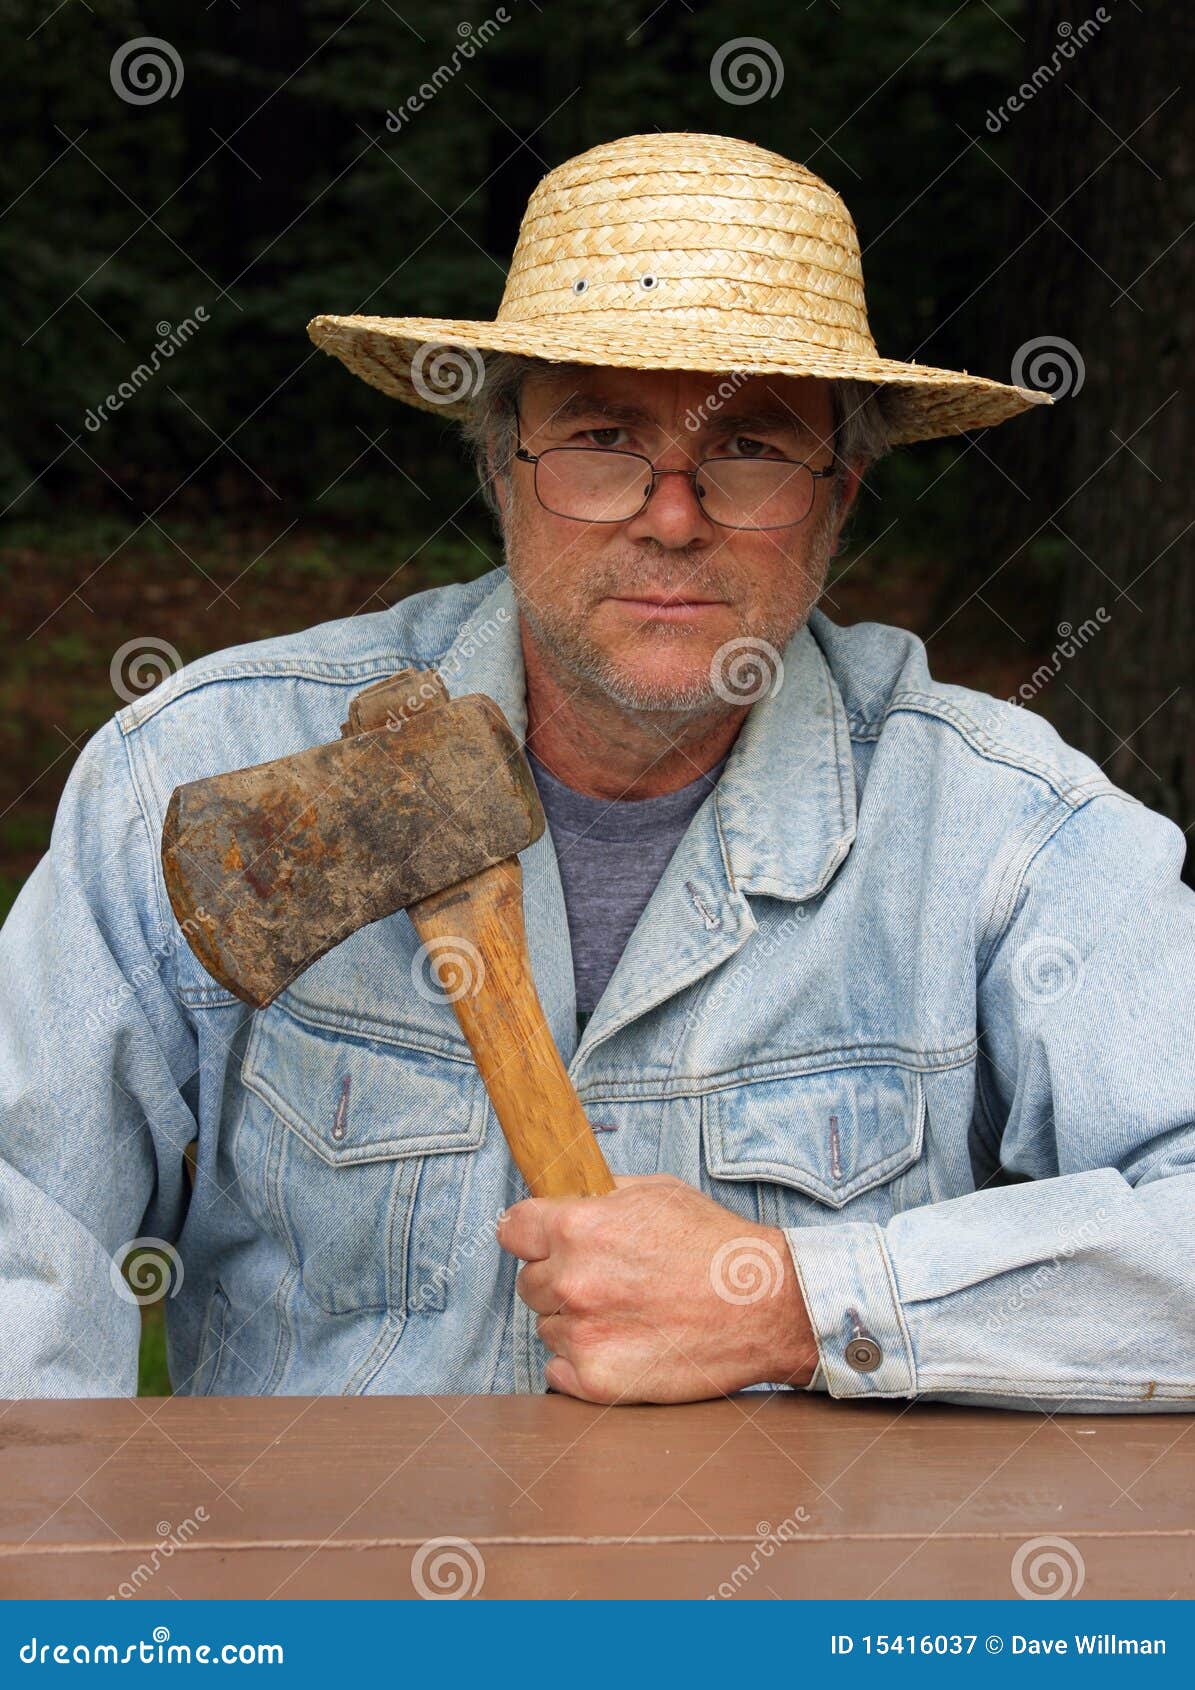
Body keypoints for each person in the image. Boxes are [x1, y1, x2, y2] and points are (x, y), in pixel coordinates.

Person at [1, 132, 1191, 1409]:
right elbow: (28, 1246)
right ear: (502, 470)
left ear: (840, 492)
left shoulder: (1001, 831)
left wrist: (798, 1301)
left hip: (786, 1607)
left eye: (750, 447)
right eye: (602, 436)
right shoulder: (192, 767)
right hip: (341, 1605)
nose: (671, 515)